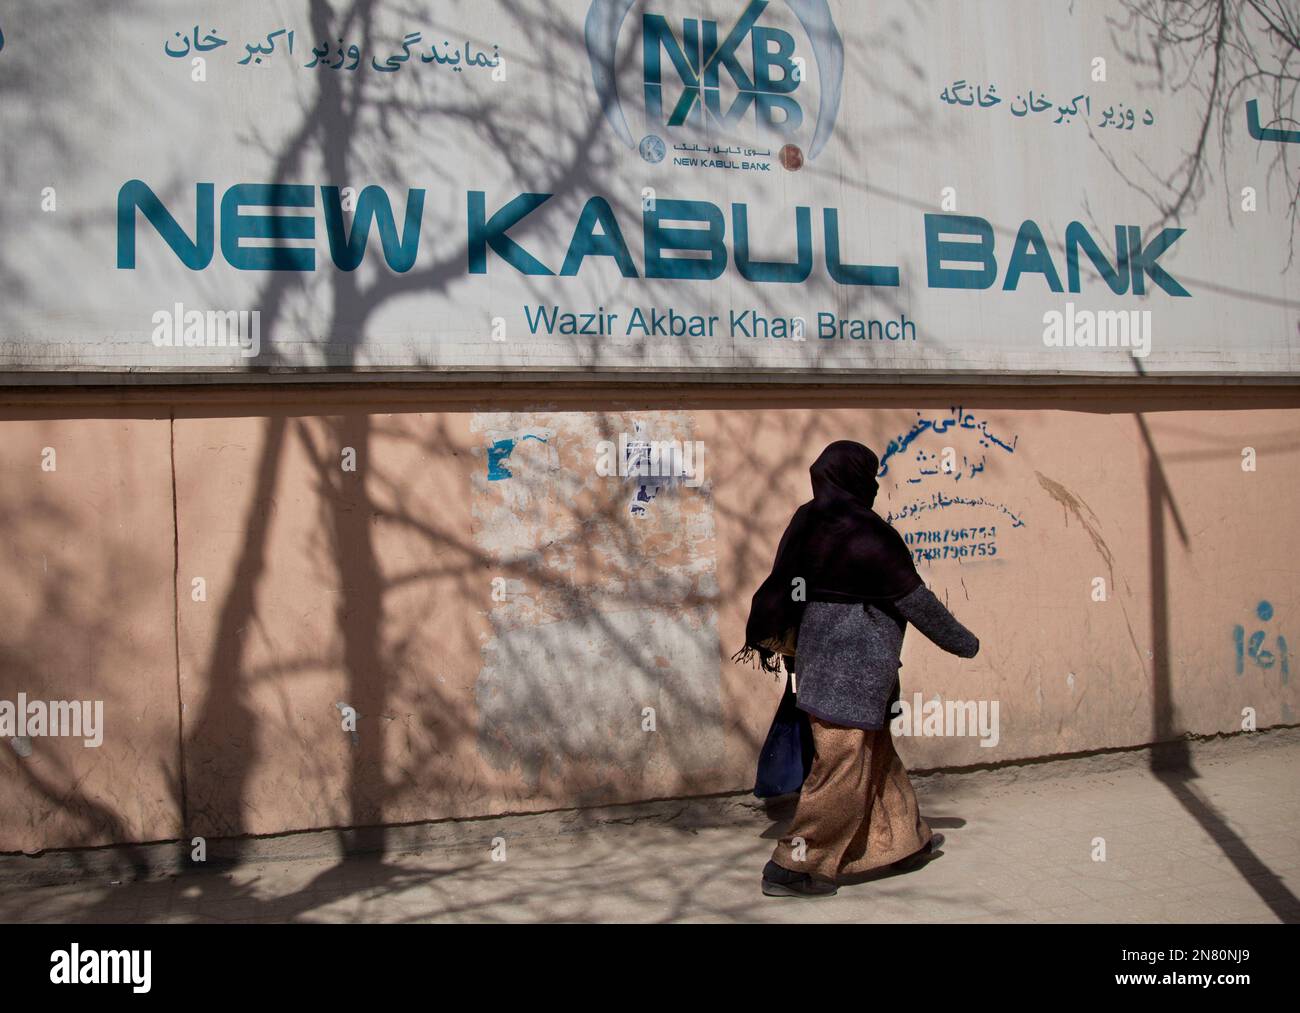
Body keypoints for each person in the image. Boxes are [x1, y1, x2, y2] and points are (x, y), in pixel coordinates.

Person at [735, 440, 980, 898]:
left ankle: (904, 843)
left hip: (823, 665)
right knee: (841, 768)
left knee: (877, 757)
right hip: (856, 671)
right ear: (855, 478)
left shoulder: (807, 520)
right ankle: (794, 866)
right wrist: (962, 642)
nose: (874, 484)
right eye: (871, 475)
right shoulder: (869, 533)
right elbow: (914, 599)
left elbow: (784, 585)